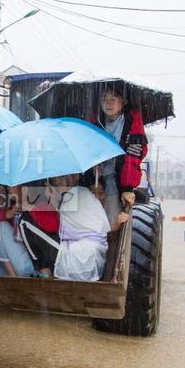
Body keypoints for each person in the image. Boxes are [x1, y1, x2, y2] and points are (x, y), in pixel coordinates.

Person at [53, 173, 128, 281]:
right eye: (93, 193)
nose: (96, 196)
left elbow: (102, 228)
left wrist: (117, 223)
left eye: (101, 193)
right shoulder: (78, 202)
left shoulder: (107, 209)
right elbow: (98, 228)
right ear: (87, 194)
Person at [97, 87, 148, 225]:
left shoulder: (132, 121)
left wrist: (127, 189)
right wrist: (90, 181)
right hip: (97, 178)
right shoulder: (95, 120)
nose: (108, 103)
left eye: (113, 99)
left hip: (118, 180)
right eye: (104, 99)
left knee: (113, 220)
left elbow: (134, 155)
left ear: (123, 101)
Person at [0, 185, 40, 277]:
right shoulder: (14, 208)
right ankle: (10, 279)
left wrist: (29, 209)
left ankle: (11, 278)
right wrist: (9, 214)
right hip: (21, 263)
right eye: (7, 186)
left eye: (11, 186)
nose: (8, 189)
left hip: (33, 266)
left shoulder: (35, 206)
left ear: (24, 188)